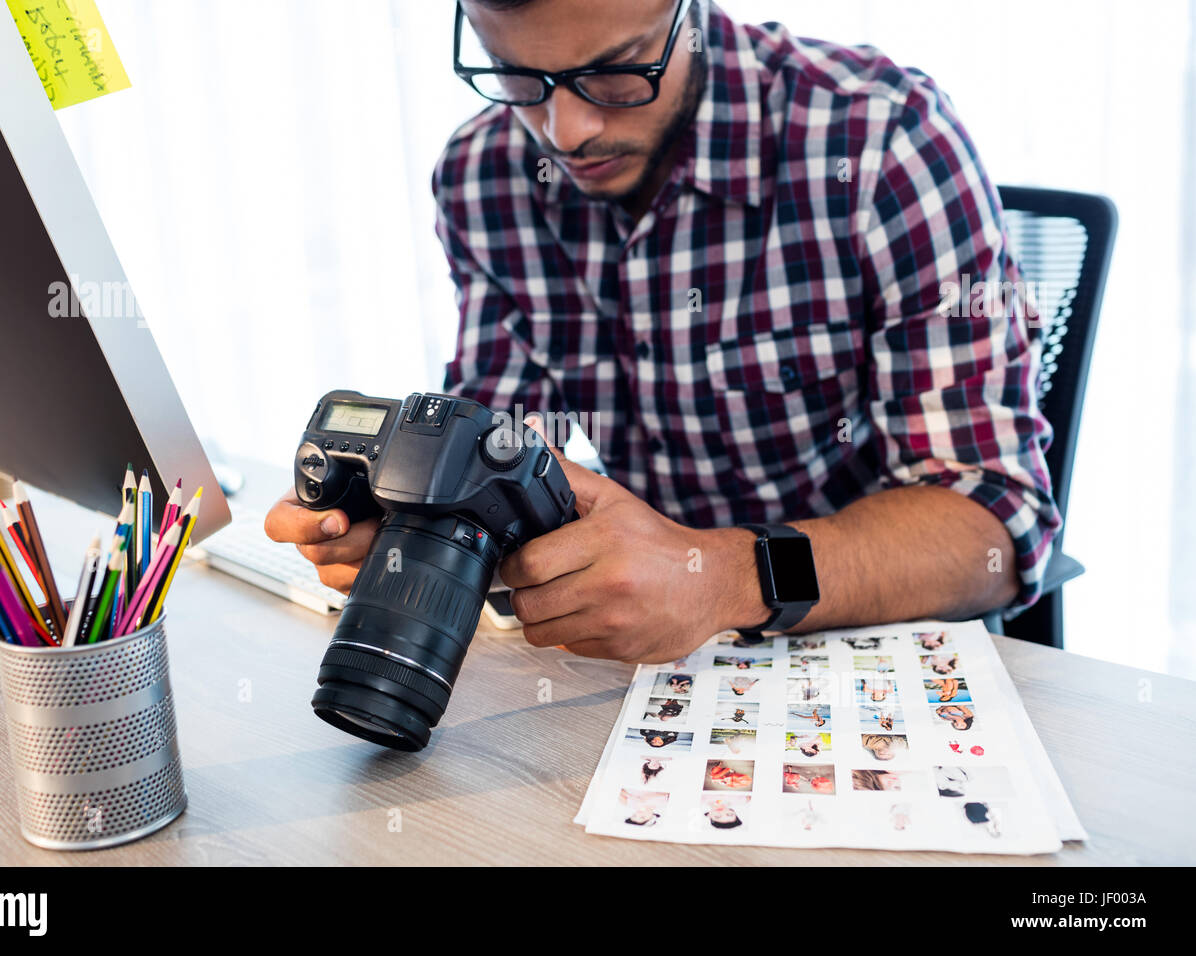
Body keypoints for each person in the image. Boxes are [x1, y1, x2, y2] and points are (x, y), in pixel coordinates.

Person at [265, 0, 1060, 664]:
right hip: (650, 672)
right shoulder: (486, 173)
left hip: (874, 660)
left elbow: (990, 522)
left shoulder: (881, 137)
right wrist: (420, 522)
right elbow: (508, 443)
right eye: (517, 76)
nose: (563, 131)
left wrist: (721, 576)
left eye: (613, 72)